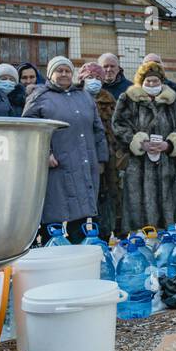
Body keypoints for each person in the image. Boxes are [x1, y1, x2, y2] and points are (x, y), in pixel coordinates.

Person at [23, 56, 109, 244]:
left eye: (67, 70)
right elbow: (28, 131)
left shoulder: (84, 96)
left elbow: (98, 129)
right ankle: (54, 249)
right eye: (59, 70)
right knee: (57, 213)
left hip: (85, 163)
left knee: (82, 215)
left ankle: (79, 252)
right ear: (50, 74)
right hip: (56, 166)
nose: (64, 74)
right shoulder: (39, 97)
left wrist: (101, 159)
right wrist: (43, 154)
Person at [112, 59, 176, 232]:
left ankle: (166, 241)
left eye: (155, 80)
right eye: (148, 80)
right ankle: (140, 242)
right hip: (138, 166)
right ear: (141, 82)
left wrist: (169, 144)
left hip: (166, 166)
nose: (152, 83)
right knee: (137, 211)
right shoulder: (128, 99)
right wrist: (137, 142)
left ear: (161, 81)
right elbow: (118, 125)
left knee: (168, 211)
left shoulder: (173, 101)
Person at [81, 61, 124, 239]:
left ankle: (106, 234)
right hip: (81, 154)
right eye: (90, 77)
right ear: (82, 79)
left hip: (108, 158)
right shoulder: (76, 98)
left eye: (98, 78)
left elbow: (117, 128)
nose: (94, 81)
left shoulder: (109, 100)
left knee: (106, 198)